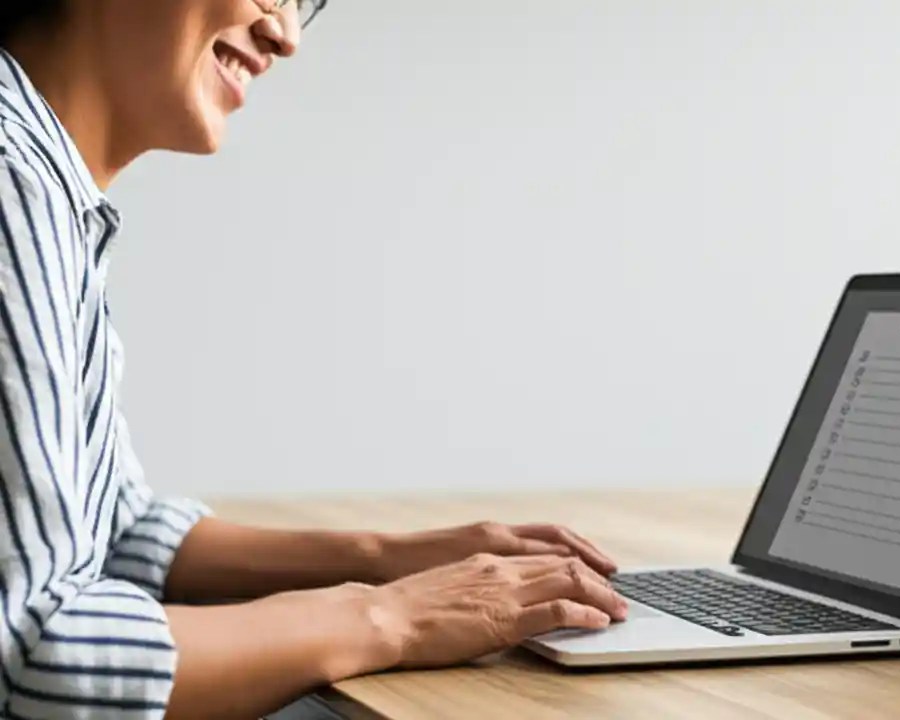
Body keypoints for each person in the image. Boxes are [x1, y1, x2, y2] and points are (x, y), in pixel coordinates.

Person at [0, 1, 629, 717]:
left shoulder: (48, 194)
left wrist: (387, 557)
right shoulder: (10, 186)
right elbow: (41, 650)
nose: (287, 34)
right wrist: (392, 615)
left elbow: (117, 532)